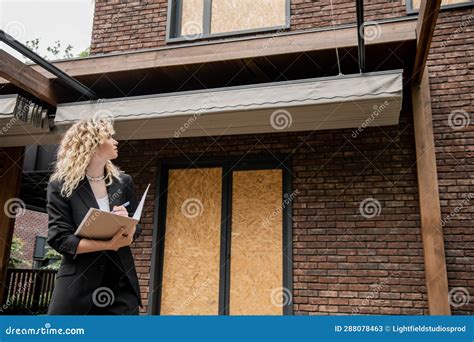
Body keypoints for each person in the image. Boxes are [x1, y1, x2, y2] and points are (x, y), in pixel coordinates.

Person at [46, 117, 142, 315]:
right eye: (109, 137)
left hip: (121, 285)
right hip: (77, 285)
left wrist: (129, 223)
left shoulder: (123, 182)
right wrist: (108, 245)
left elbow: (136, 228)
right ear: (92, 143)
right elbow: (60, 239)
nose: (115, 141)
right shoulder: (61, 186)